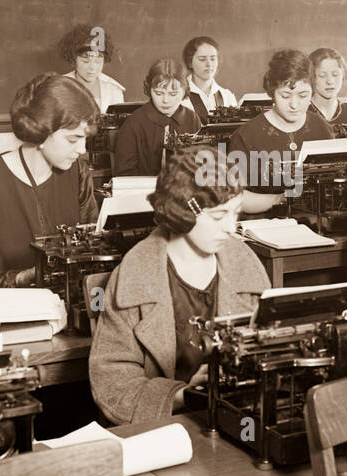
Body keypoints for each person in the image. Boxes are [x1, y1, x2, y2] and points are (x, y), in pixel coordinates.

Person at [89, 145, 269, 425]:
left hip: (236, 421)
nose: (231, 228)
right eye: (219, 216)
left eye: (236, 213)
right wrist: (186, 395)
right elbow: (113, 386)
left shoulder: (245, 264)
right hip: (162, 430)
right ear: (182, 211)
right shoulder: (135, 275)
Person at [0, 74, 98, 287]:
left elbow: (94, 245)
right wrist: (26, 277)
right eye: (73, 139)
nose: (82, 149)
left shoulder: (79, 172)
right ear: (41, 132)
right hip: (15, 310)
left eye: (85, 139)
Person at [227, 49, 334, 215]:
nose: (294, 104)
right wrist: (278, 199)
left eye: (303, 95)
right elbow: (234, 197)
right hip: (263, 223)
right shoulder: (246, 135)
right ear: (272, 93)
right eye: (285, 95)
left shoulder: (322, 127)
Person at [112, 58, 201, 176]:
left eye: (173, 94)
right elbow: (124, 173)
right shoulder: (134, 123)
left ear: (185, 91)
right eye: (158, 93)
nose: (165, 100)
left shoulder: (192, 119)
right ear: (149, 90)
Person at [59, 23, 125, 112]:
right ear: (73, 59)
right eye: (85, 61)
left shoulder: (113, 89)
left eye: (98, 61)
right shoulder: (59, 86)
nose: (92, 68)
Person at [182, 36, 236, 124]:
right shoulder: (179, 95)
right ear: (189, 62)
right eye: (202, 59)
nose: (209, 64)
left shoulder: (227, 96)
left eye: (213, 59)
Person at [308, 47, 347, 127]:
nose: (330, 81)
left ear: (343, 75)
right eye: (322, 75)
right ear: (311, 77)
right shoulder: (303, 112)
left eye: (335, 75)